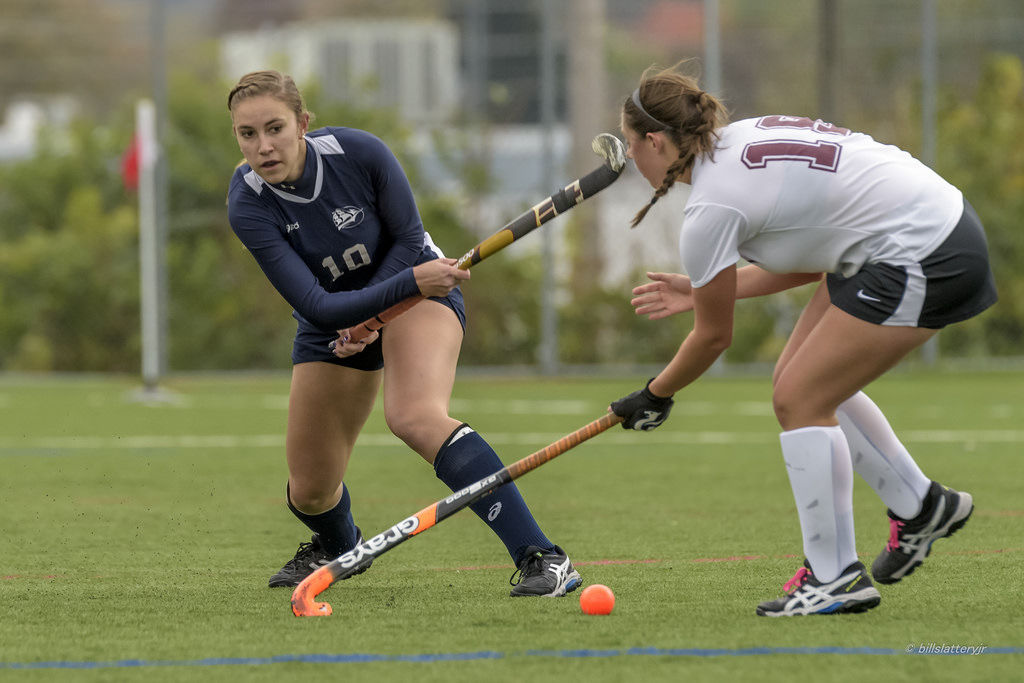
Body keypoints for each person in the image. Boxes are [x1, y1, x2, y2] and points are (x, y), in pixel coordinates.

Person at [609, 65, 997, 617]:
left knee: (801, 399)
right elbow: (806, 260)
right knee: (797, 384)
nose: (630, 160)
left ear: (656, 141)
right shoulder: (739, 142)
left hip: (922, 249)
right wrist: (700, 292)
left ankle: (834, 577)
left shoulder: (711, 207)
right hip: (924, 227)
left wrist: (654, 394)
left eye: (630, 146)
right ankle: (922, 506)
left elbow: (714, 338)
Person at [226, 70, 581, 597]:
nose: (263, 146)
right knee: (310, 490)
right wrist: (360, 319)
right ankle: (341, 546)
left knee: (414, 416)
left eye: (275, 128)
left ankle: (543, 559)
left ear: (302, 124)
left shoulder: (359, 153)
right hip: (336, 319)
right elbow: (314, 304)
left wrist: (388, 305)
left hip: (421, 291)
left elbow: (410, 238)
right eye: (247, 134)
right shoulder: (249, 202)